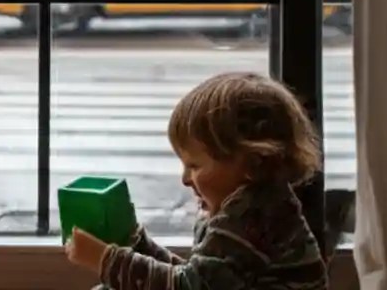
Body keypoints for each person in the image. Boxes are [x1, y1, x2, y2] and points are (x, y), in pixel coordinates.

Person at [65, 72, 327, 290]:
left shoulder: (252, 217)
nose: (185, 179)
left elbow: (189, 286)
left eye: (194, 165)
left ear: (252, 162)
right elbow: (199, 277)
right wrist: (137, 246)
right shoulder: (250, 207)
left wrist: (105, 260)